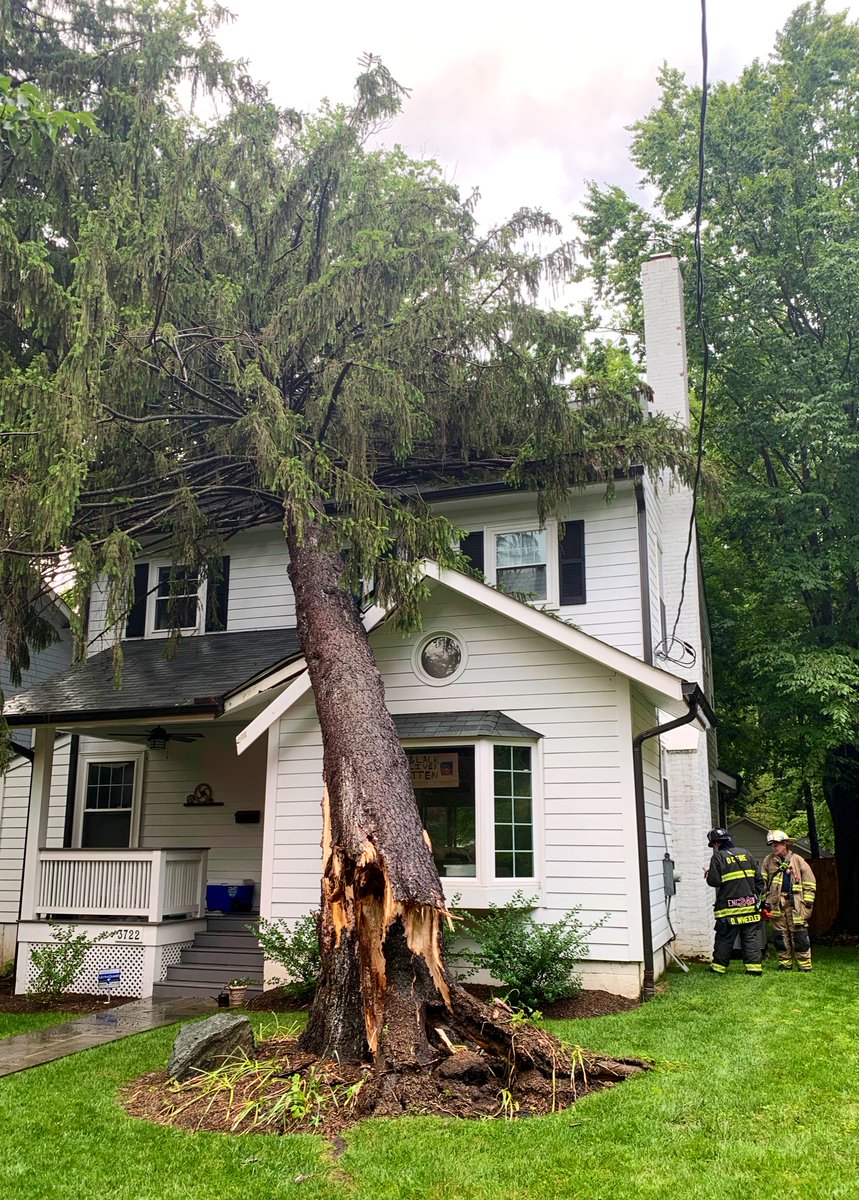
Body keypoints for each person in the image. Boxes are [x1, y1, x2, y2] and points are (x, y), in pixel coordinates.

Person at [705, 828, 765, 975]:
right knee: (750, 938)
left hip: (729, 909)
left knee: (725, 938)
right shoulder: (747, 854)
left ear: (717, 843)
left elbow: (714, 881)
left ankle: (718, 968)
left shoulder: (718, 857)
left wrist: (708, 874)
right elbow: (759, 881)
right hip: (750, 907)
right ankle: (754, 969)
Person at [762, 830, 816, 972]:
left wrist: (808, 904)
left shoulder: (797, 860)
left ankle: (804, 965)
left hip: (795, 904)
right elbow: (763, 883)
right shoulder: (768, 861)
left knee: (799, 935)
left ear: (785, 844)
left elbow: (810, 883)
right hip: (777, 905)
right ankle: (784, 964)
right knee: (779, 935)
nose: (774, 847)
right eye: (772, 845)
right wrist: (765, 901)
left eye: (776, 844)